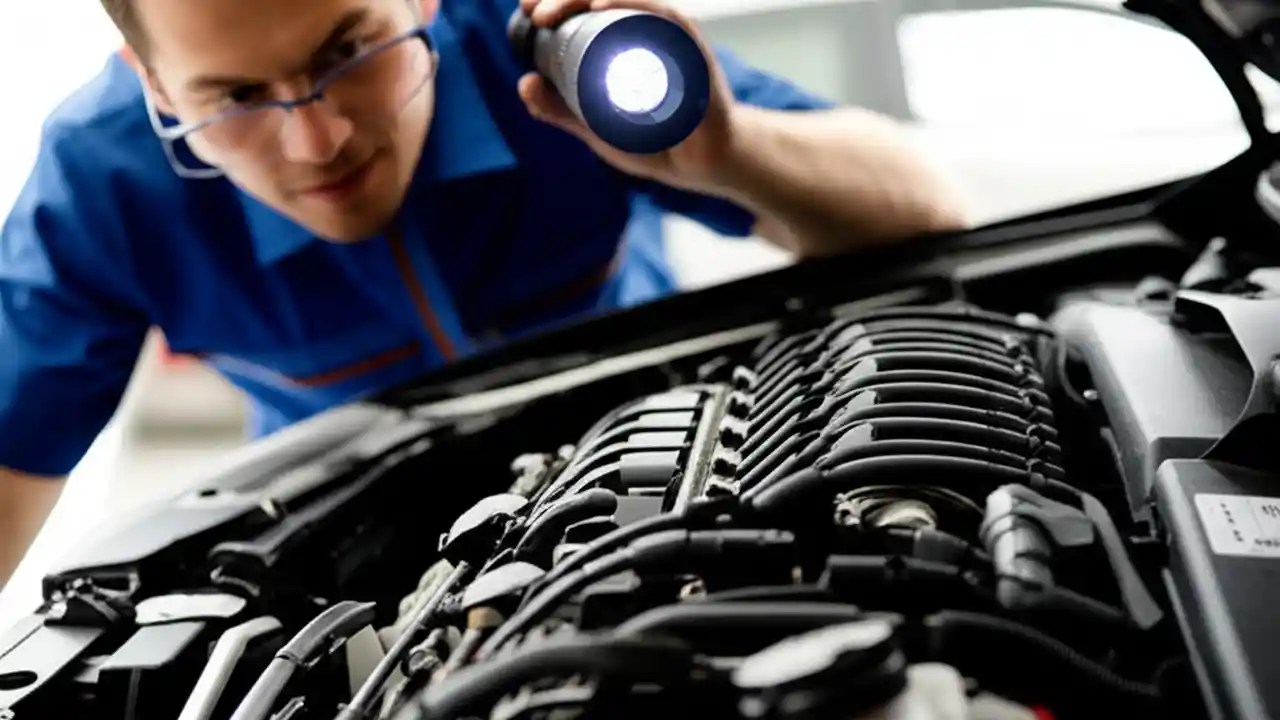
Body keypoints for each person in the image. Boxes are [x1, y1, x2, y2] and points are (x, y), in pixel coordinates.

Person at [0, 0, 969, 585]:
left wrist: (733, 153)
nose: (317, 141)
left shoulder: (544, 44)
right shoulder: (99, 180)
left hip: (666, 497)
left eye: (346, 52)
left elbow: (923, 208)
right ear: (155, 87)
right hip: (354, 559)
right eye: (236, 100)